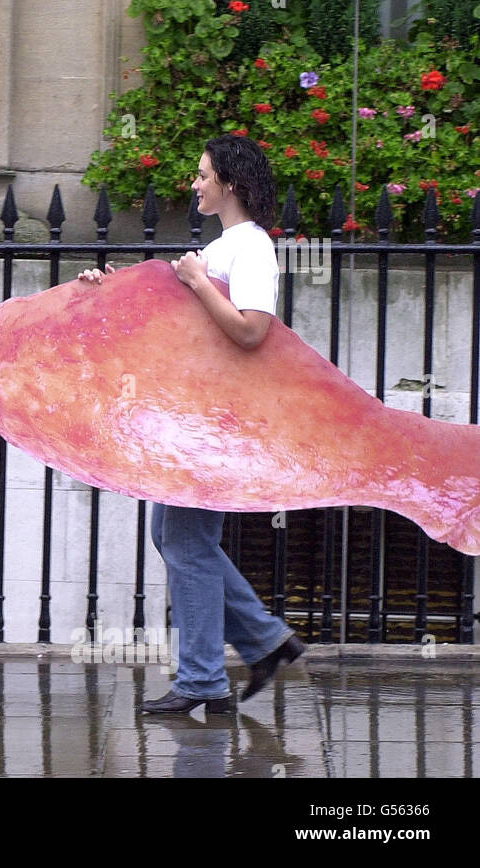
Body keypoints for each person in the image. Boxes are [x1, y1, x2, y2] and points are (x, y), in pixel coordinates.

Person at [80, 134, 304, 714]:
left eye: (204, 174)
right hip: (199, 419)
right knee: (176, 537)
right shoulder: (226, 245)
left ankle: (205, 678)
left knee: (184, 540)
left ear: (230, 183)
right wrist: (112, 292)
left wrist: (199, 281)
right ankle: (262, 641)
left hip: (217, 423)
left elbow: (253, 330)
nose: (195, 183)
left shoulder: (250, 248)